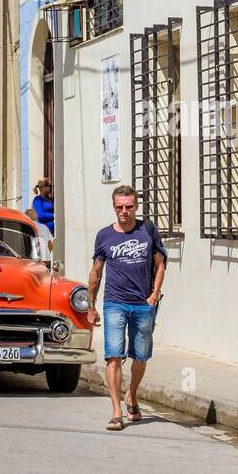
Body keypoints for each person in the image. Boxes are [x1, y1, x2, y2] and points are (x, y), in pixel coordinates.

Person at [87, 185, 167, 431]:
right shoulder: (104, 236)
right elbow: (96, 273)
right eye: (119, 207)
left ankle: (131, 394)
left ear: (136, 206)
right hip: (114, 303)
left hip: (143, 304)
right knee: (114, 356)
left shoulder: (148, 230)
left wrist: (154, 295)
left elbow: (160, 264)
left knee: (140, 357)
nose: (124, 211)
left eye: (129, 207)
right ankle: (116, 411)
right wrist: (91, 305)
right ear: (114, 207)